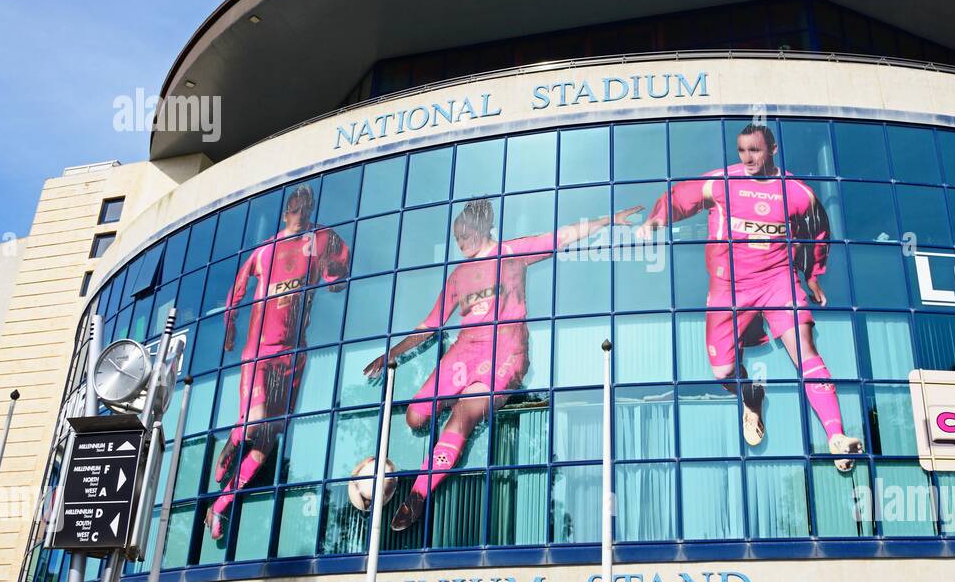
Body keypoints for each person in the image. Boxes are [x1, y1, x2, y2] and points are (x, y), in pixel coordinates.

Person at [364, 197, 641, 530]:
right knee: (415, 416)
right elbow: (430, 324)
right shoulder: (458, 277)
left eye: (463, 236)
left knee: (462, 417)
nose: (459, 243)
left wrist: (608, 218)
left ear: (481, 229)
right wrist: (391, 353)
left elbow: (563, 235)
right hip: (465, 351)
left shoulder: (513, 253)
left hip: (504, 352)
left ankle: (420, 493)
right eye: (456, 239)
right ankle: (460, 398)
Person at [636, 123, 864, 471]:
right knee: (722, 369)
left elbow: (819, 231)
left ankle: (836, 436)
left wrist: (813, 276)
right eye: (742, 151)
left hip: (777, 281)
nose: (748, 158)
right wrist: (656, 220)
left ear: (772, 149)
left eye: (755, 150)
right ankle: (750, 397)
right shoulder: (723, 181)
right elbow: (683, 197)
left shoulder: (797, 192)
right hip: (729, 287)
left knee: (805, 349)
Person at [206, 184, 351, 540]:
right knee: (255, 422)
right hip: (259, 352)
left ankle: (218, 507)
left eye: (308, 208)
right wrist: (229, 328)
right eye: (297, 209)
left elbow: (341, 268)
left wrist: (336, 279)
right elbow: (236, 292)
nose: (303, 214)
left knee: (268, 439)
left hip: (293, 355)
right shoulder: (265, 251)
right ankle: (229, 447)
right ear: (286, 212)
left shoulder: (321, 238)